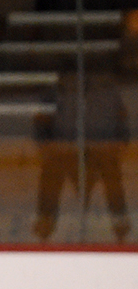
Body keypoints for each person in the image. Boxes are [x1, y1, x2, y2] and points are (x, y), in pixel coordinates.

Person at [32, 70, 131, 243]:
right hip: (63, 150)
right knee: (50, 180)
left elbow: (121, 117)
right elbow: (41, 119)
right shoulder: (56, 91)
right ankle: (45, 225)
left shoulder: (108, 91)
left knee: (113, 181)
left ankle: (120, 226)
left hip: (101, 149)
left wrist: (120, 141)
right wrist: (46, 144)